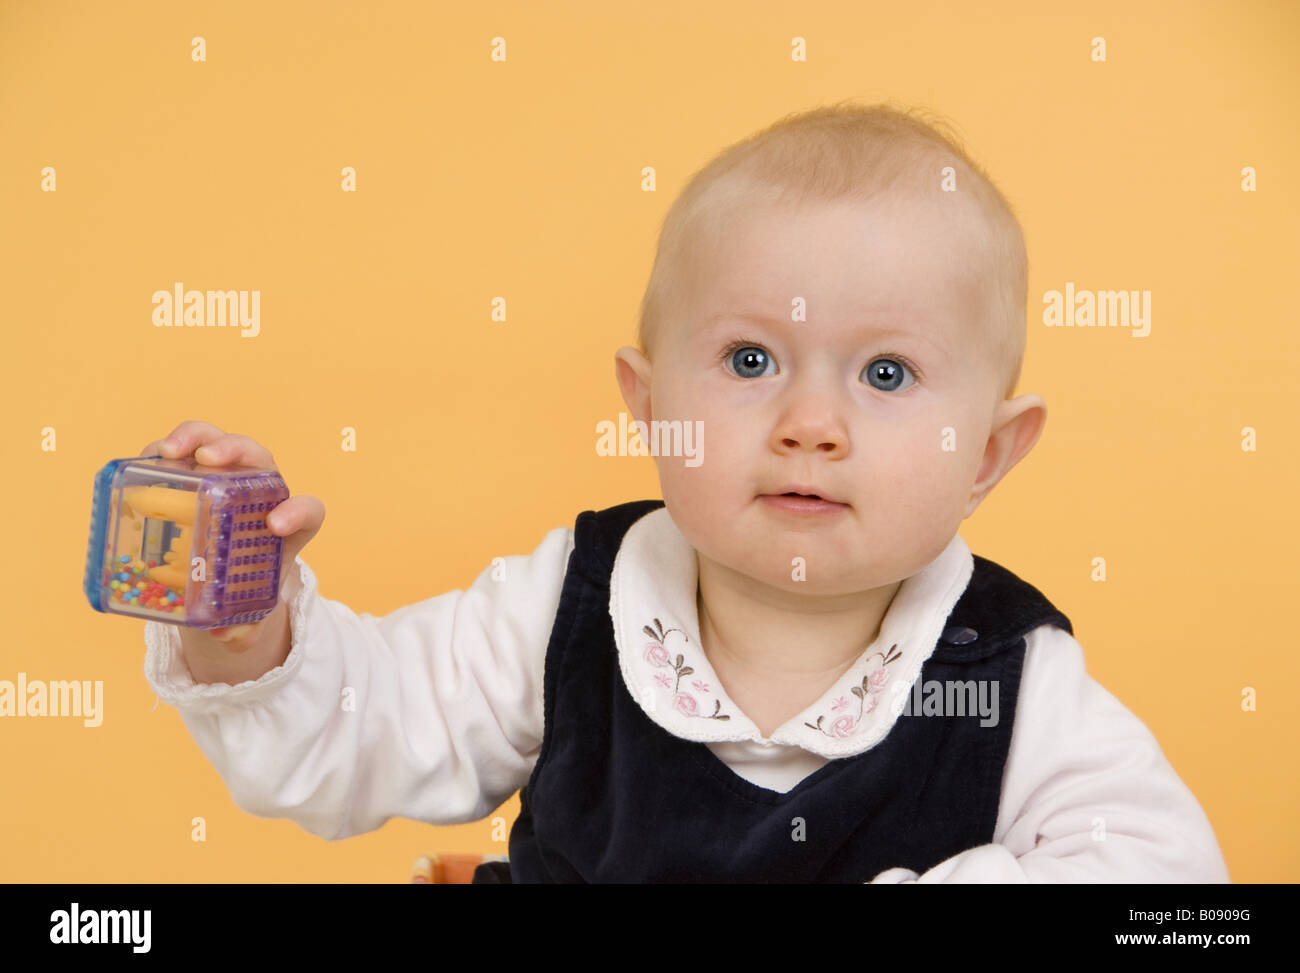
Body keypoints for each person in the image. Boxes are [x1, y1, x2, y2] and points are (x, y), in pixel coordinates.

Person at [140, 101, 1230, 882]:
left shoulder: (1005, 676)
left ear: (987, 454)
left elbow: (1166, 878)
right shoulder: (570, 605)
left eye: (884, 374)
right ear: (647, 398)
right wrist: (250, 632)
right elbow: (360, 734)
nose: (811, 422)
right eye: (751, 361)